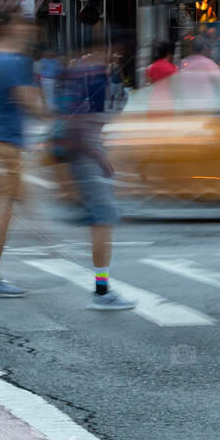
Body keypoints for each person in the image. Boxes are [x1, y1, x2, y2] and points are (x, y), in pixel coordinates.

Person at [53, 18, 136, 311]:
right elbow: (80, 123)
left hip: (80, 155)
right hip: (87, 156)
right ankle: (102, 291)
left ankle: (102, 288)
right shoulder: (95, 76)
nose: (118, 57)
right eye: (117, 52)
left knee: (100, 220)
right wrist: (99, 156)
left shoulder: (77, 71)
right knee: (103, 221)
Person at [0, 13, 45, 298]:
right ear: (15, 29)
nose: (32, 35)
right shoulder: (16, 62)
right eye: (29, 29)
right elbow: (30, 102)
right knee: (2, 211)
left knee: (2, 209)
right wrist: (47, 110)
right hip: (6, 143)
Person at [145, 40, 178, 112]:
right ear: (169, 54)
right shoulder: (174, 68)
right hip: (168, 103)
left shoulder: (150, 68)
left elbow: (149, 86)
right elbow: (175, 88)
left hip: (154, 103)